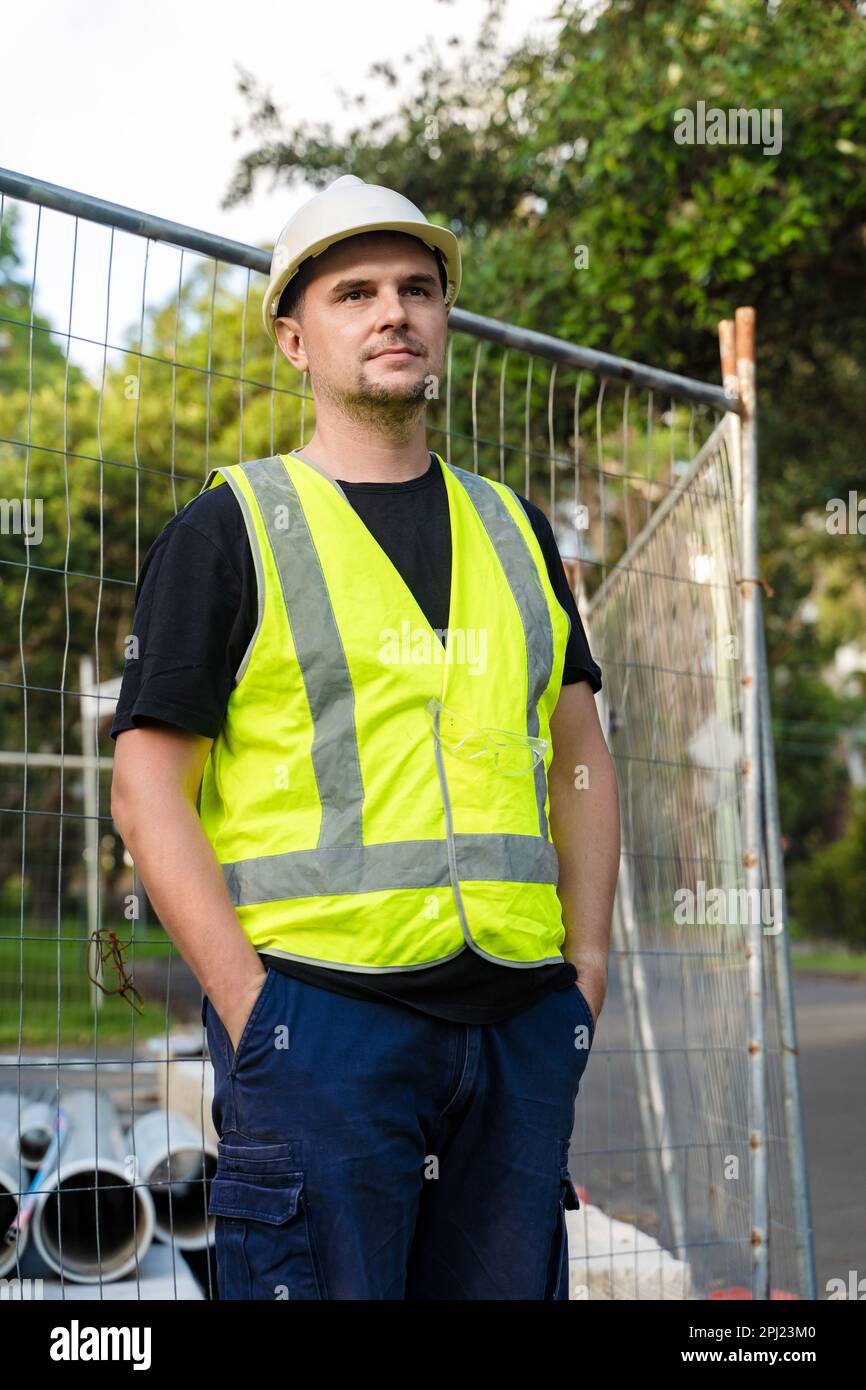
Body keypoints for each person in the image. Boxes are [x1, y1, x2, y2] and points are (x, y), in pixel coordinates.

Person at [110, 175, 620, 1300]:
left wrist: (583, 973)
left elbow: (580, 751)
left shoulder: (515, 529)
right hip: (319, 1024)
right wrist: (252, 1009)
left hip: (518, 1022)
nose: (394, 311)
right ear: (295, 341)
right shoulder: (230, 529)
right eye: (355, 293)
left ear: (442, 320)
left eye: (416, 289)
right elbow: (146, 792)